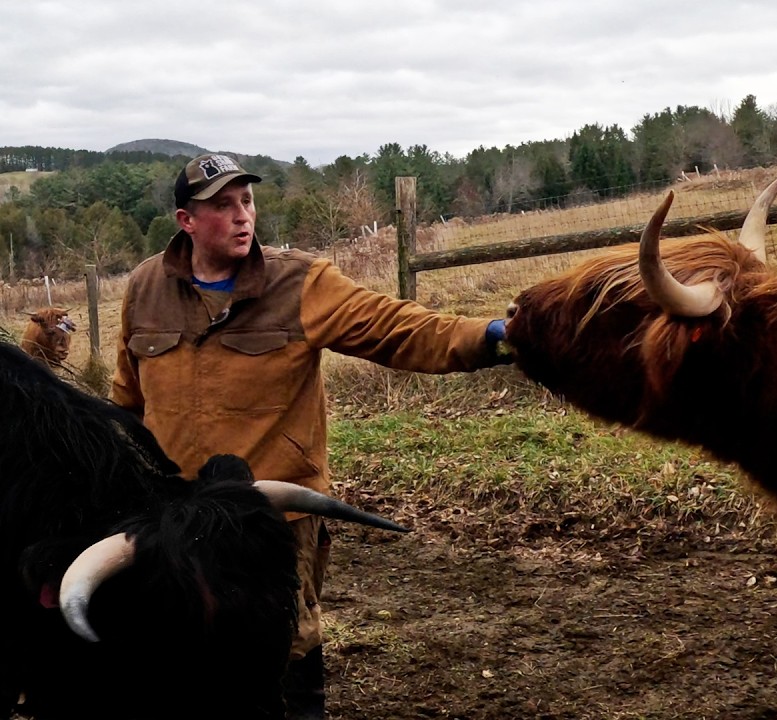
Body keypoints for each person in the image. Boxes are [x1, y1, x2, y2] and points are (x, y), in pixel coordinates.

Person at [111, 153, 513, 719]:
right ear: (187, 221)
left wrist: (489, 336)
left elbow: (397, 328)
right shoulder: (146, 287)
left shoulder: (300, 282)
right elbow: (127, 399)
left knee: (287, 640)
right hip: (176, 514)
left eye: (246, 201)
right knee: (183, 641)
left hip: (272, 515)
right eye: (222, 206)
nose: (242, 216)